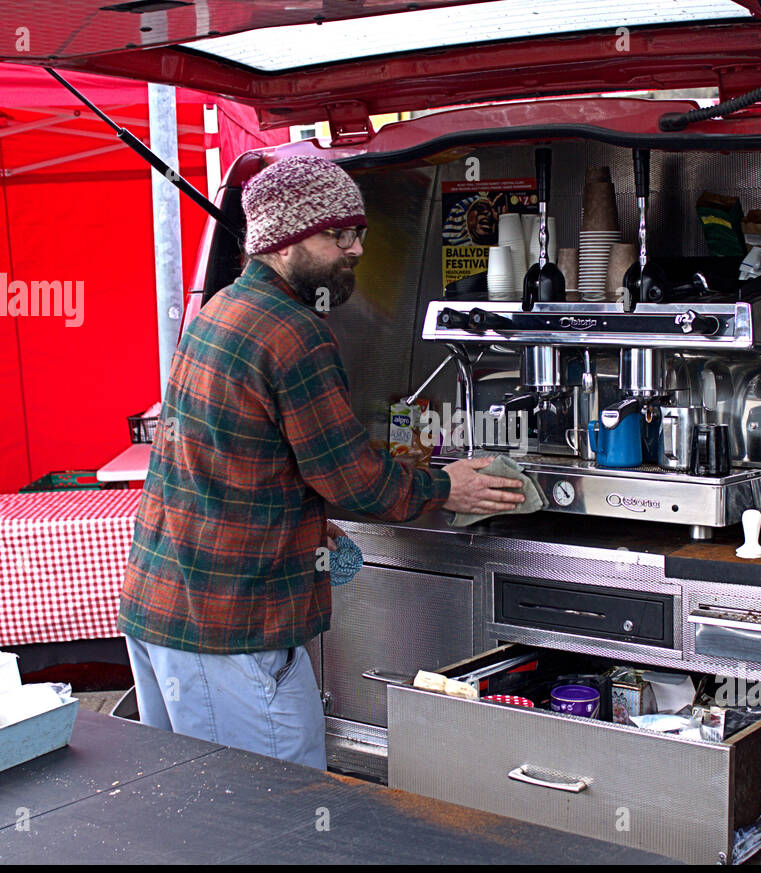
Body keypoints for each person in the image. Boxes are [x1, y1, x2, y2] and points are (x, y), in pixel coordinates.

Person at [118, 156, 523, 770]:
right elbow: (352, 479)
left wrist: (302, 517)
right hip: (230, 625)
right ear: (283, 241)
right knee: (270, 811)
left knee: (193, 808)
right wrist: (447, 486)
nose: (356, 249)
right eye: (338, 235)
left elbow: (229, 460)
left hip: (165, 604)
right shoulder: (292, 332)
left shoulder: (222, 309)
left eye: (358, 232)